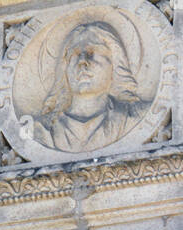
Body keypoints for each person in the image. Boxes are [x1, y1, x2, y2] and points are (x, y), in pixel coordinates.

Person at [35, 20, 149, 152]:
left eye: (92, 53)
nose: (82, 62)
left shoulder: (135, 118)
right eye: (75, 55)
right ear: (64, 68)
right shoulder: (41, 131)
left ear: (115, 63)